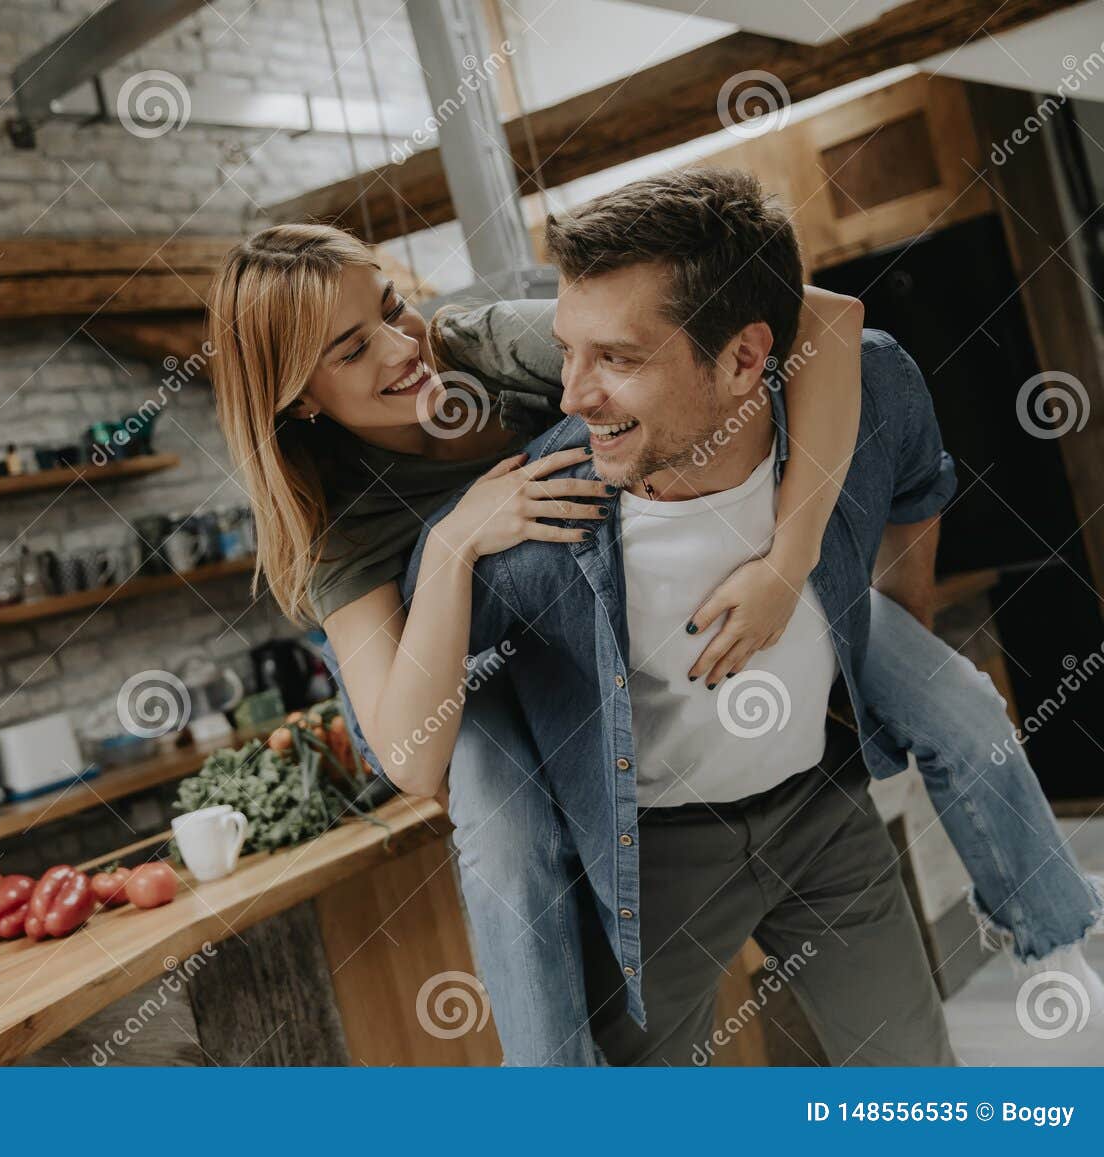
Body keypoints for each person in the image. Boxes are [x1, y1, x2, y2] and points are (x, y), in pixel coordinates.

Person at [206, 174, 1102, 1064]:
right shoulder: (339, 526)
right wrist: (452, 546)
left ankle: (1050, 923)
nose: (405, 349)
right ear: (300, 396)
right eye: (354, 350)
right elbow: (408, 752)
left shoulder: (473, 345)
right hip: (479, 672)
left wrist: (789, 564)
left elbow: (827, 322)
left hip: (647, 632)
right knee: (502, 830)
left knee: (951, 691)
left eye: (394, 307)